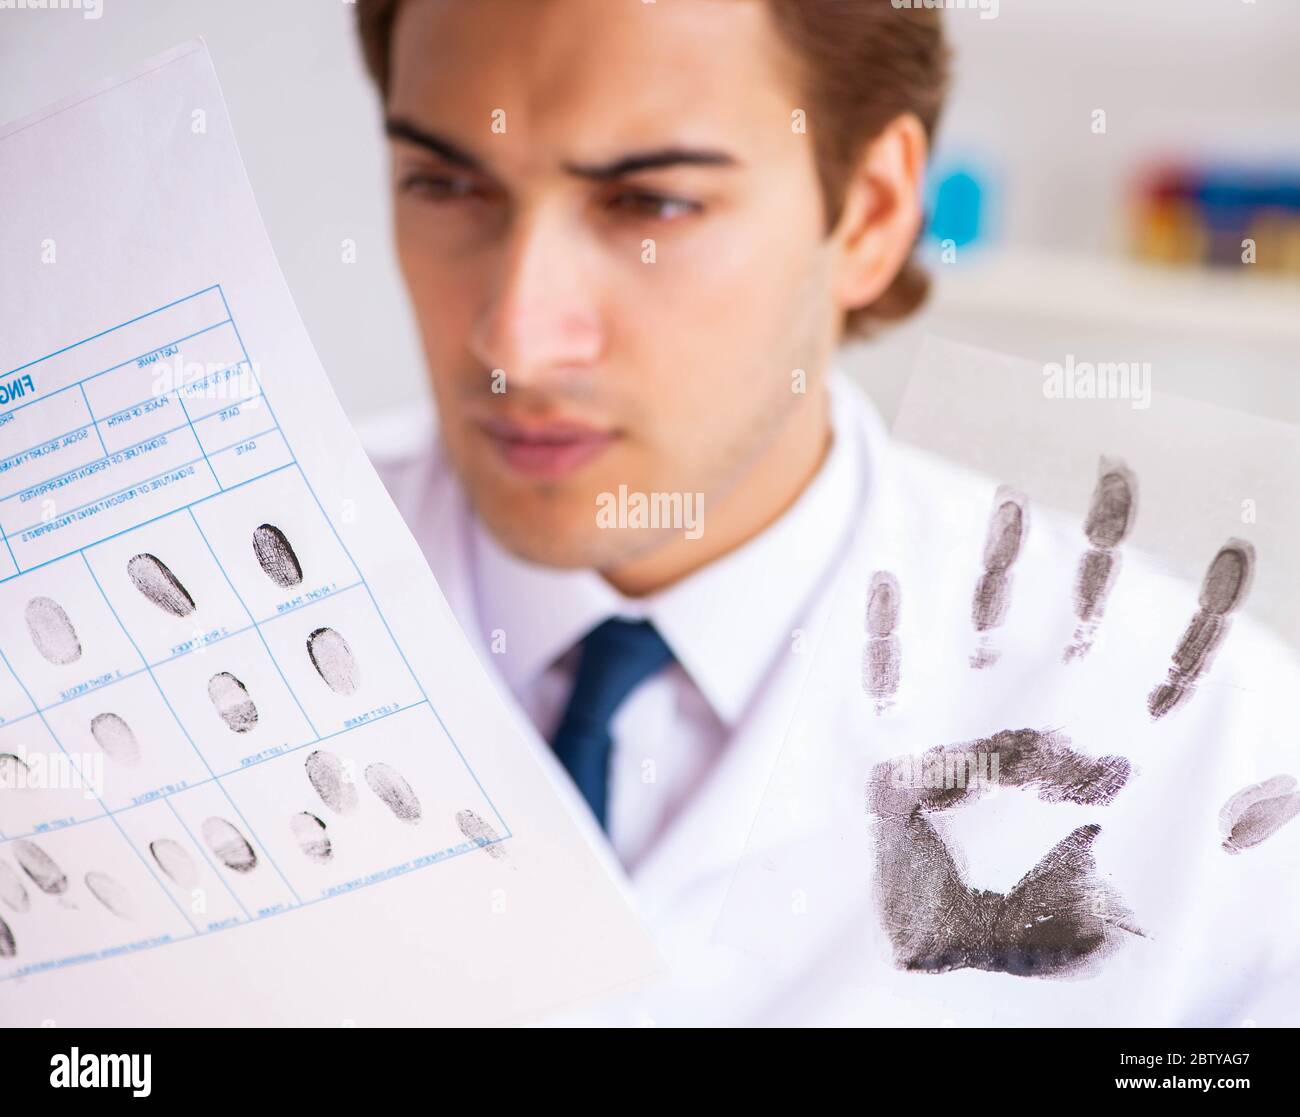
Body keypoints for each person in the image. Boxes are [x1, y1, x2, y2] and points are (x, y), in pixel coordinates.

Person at [354, 0, 1300, 1025]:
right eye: (444, 184)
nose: (517, 343)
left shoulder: (1231, 762)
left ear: (872, 211)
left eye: (651, 204)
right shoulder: (184, 587)